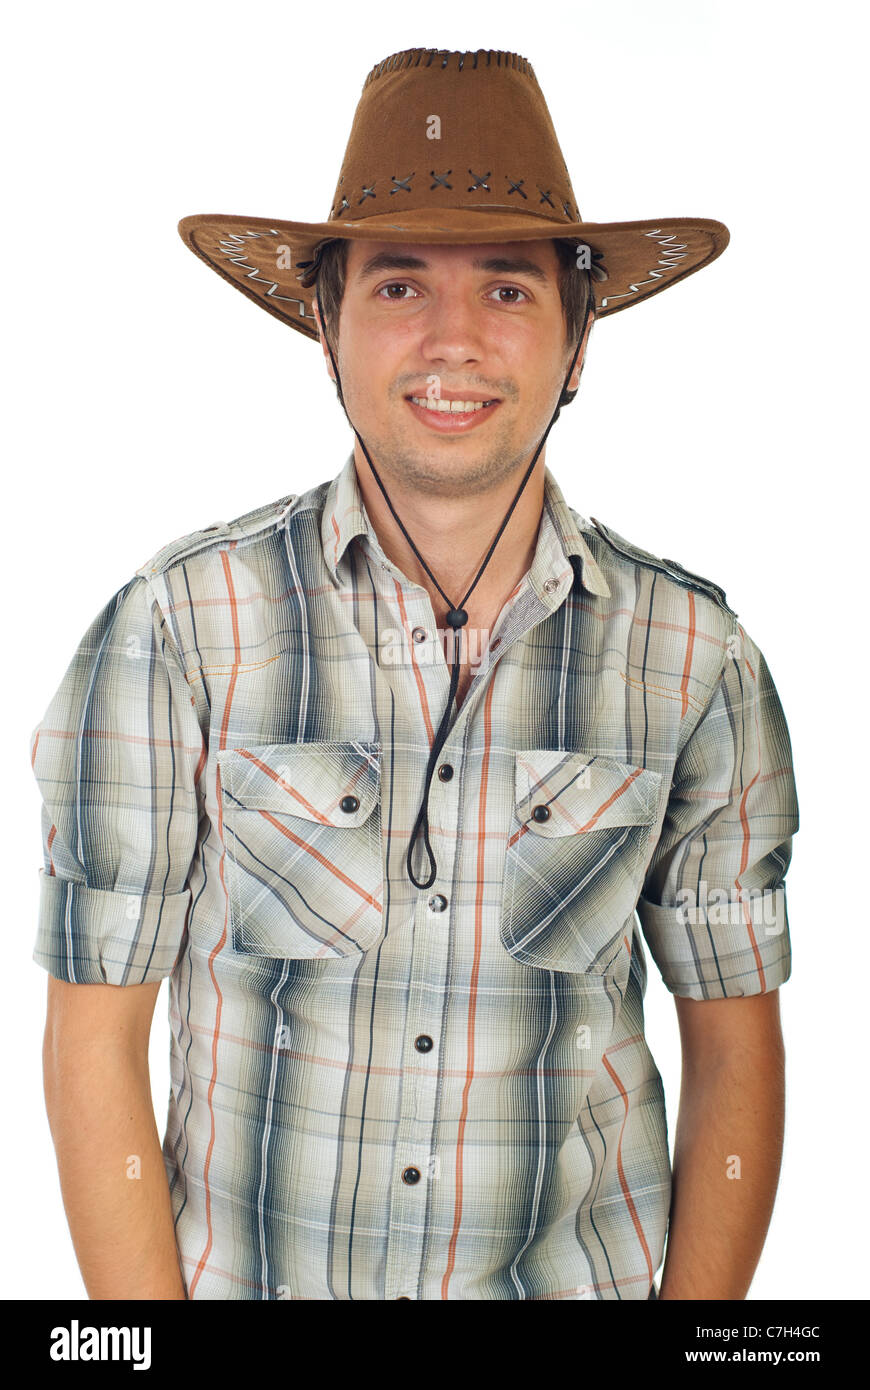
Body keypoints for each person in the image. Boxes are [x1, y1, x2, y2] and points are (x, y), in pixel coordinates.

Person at [31, 46, 799, 1301]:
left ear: (579, 336)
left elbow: (735, 1041)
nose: (453, 342)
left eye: (506, 289)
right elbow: (93, 1036)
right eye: (398, 285)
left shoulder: (695, 659)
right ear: (324, 320)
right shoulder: (176, 627)